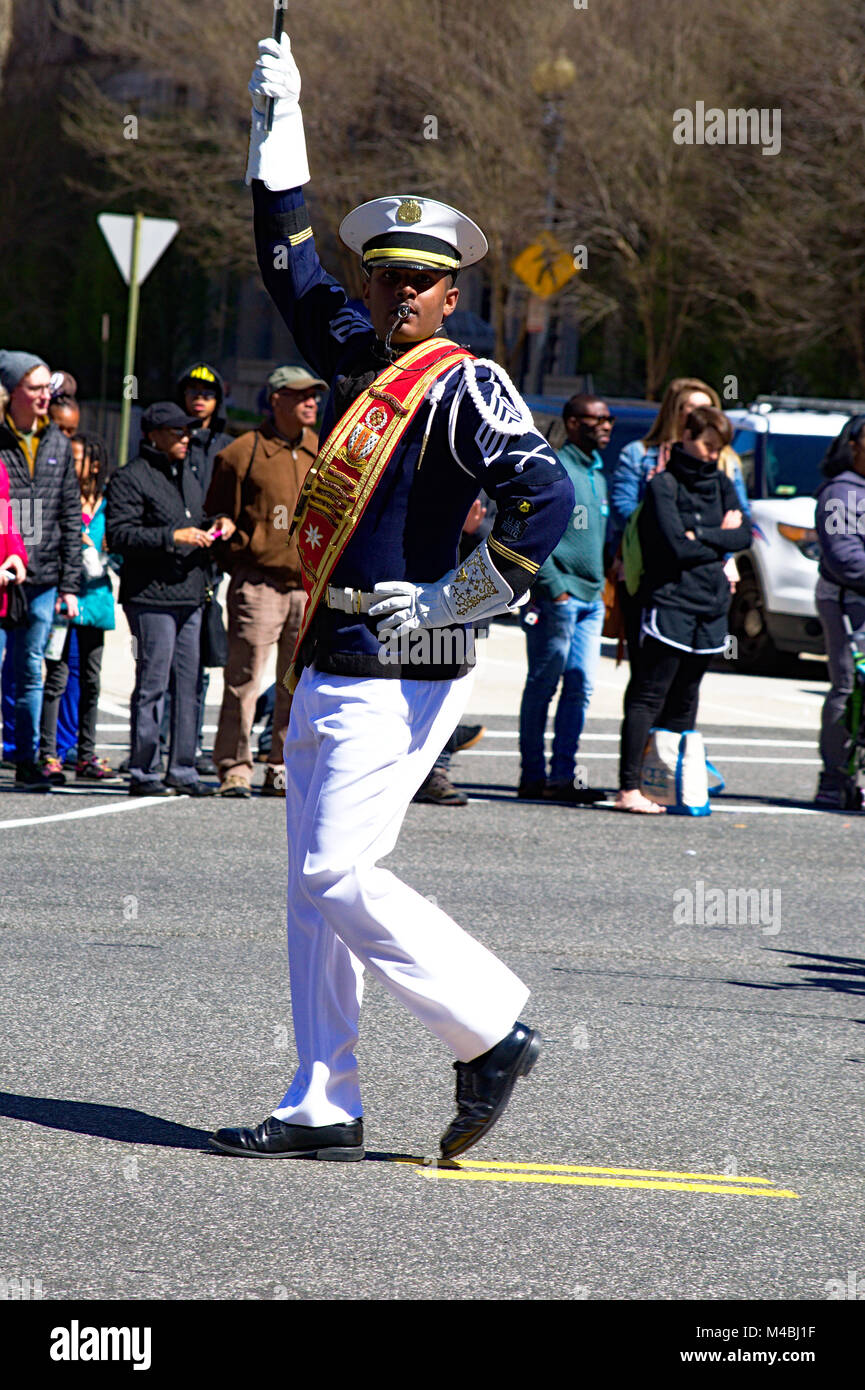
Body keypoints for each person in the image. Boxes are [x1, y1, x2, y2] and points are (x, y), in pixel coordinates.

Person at [208, 31, 574, 1163]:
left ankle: (489, 1027)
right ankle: (324, 1095)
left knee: (336, 873)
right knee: (308, 896)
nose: (401, 293)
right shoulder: (358, 355)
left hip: (401, 665)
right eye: (387, 275)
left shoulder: (464, 382)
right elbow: (284, 258)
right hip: (329, 659)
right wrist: (283, 119)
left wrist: (452, 601)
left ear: (449, 292)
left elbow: (544, 505)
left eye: (421, 280)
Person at [615, 406, 751, 812]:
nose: (713, 455)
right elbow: (674, 545)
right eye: (709, 446)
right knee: (648, 694)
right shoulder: (664, 484)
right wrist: (718, 539)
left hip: (711, 603)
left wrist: (705, 534)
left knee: (687, 695)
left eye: (720, 448)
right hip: (669, 600)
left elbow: (743, 534)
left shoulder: (723, 482)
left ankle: (667, 783)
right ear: (687, 436)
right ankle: (628, 788)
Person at [105, 401, 235, 797]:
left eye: (188, 431)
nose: (186, 436)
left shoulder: (193, 472)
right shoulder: (130, 477)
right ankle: (144, 771)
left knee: (189, 684)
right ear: (153, 435)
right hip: (150, 597)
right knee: (152, 683)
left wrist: (218, 524)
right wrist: (171, 537)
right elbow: (120, 534)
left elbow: (200, 516)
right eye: (177, 431)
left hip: (191, 592)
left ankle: (182, 770)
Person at [205, 364, 323, 798]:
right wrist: (240, 558)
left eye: (314, 394)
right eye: (301, 394)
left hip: (308, 588)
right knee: (244, 681)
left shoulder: (324, 451)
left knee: (297, 685)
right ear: (276, 400)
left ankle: (282, 765)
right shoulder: (241, 453)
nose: (311, 401)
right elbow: (218, 517)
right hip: (258, 585)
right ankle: (235, 767)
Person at [518, 393, 612, 803]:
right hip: (558, 598)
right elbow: (535, 532)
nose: (607, 425)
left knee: (579, 687)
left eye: (608, 418)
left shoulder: (598, 472)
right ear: (573, 423)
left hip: (591, 599)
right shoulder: (556, 469)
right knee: (544, 685)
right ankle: (533, 775)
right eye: (597, 419)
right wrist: (553, 588)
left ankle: (564, 775)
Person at [0, 350, 81, 790]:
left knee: (32, 668)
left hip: (45, 577)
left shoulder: (57, 442)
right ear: (13, 392)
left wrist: (70, 585)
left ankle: (27, 758)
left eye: (47, 389)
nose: (44, 396)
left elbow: (71, 515)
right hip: (3, 575)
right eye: (34, 388)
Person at [40, 435, 118, 781]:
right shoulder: (60, 500)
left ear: (96, 465)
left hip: (96, 604)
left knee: (91, 680)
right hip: (64, 602)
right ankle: (48, 752)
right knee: (56, 677)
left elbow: (116, 552)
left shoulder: (108, 505)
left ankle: (85, 754)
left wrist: (100, 551)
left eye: (78, 459)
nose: (71, 466)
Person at [173, 362, 234, 776]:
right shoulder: (169, 441)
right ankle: (162, 744)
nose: (199, 398)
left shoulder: (226, 446)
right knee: (160, 663)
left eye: (207, 393)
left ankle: (189, 744)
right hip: (170, 560)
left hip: (210, 565)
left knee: (200, 660)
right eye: (192, 390)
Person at [813, 416, 865, 809]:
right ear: (853, 445)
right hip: (847, 603)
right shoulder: (840, 493)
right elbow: (844, 558)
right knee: (849, 688)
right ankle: (833, 778)